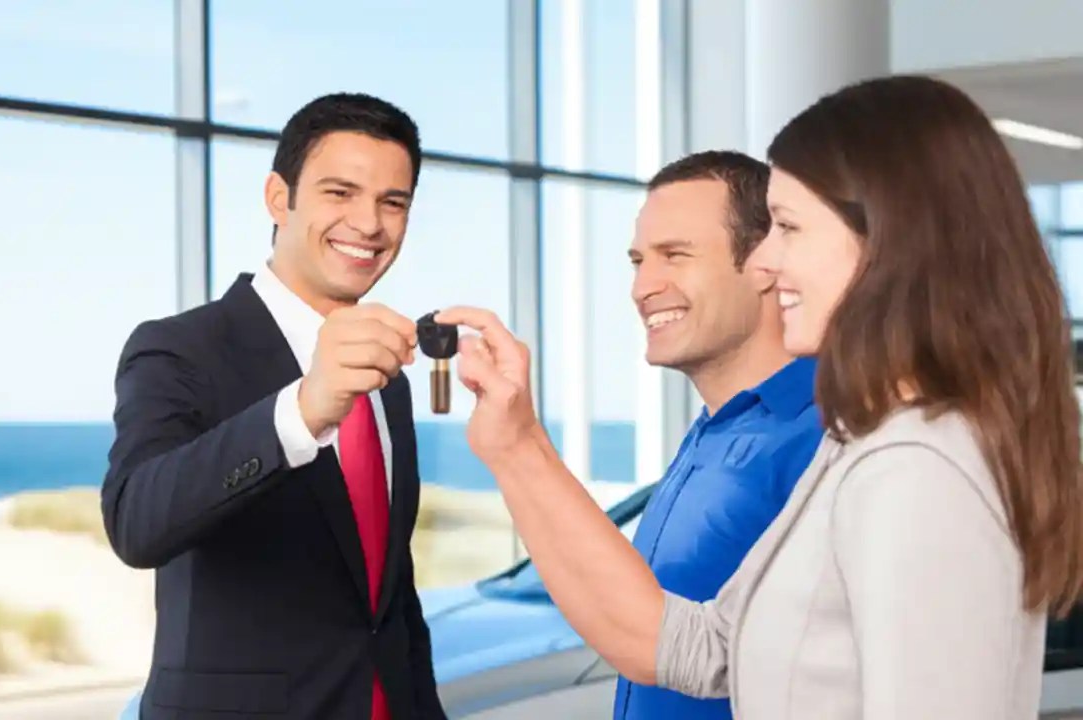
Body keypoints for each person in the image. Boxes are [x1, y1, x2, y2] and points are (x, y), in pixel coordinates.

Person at [436, 74, 1083, 718]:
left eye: (789, 228)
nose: (766, 263)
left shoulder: (918, 468)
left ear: (885, 244)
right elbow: (701, 649)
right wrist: (514, 445)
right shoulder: (861, 448)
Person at [102, 92, 446, 720]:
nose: (369, 224)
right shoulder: (180, 347)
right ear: (278, 199)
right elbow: (135, 522)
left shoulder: (386, 374)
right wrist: (301, 410)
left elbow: (390, 592)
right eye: (340, 193)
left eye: (392, 203)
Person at [612, 151, 823, 720]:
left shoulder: (827, 436)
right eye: (637, 261)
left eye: (674, 256)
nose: (642, 287)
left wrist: (518, 445)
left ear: (766, 262)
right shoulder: (711, 430)